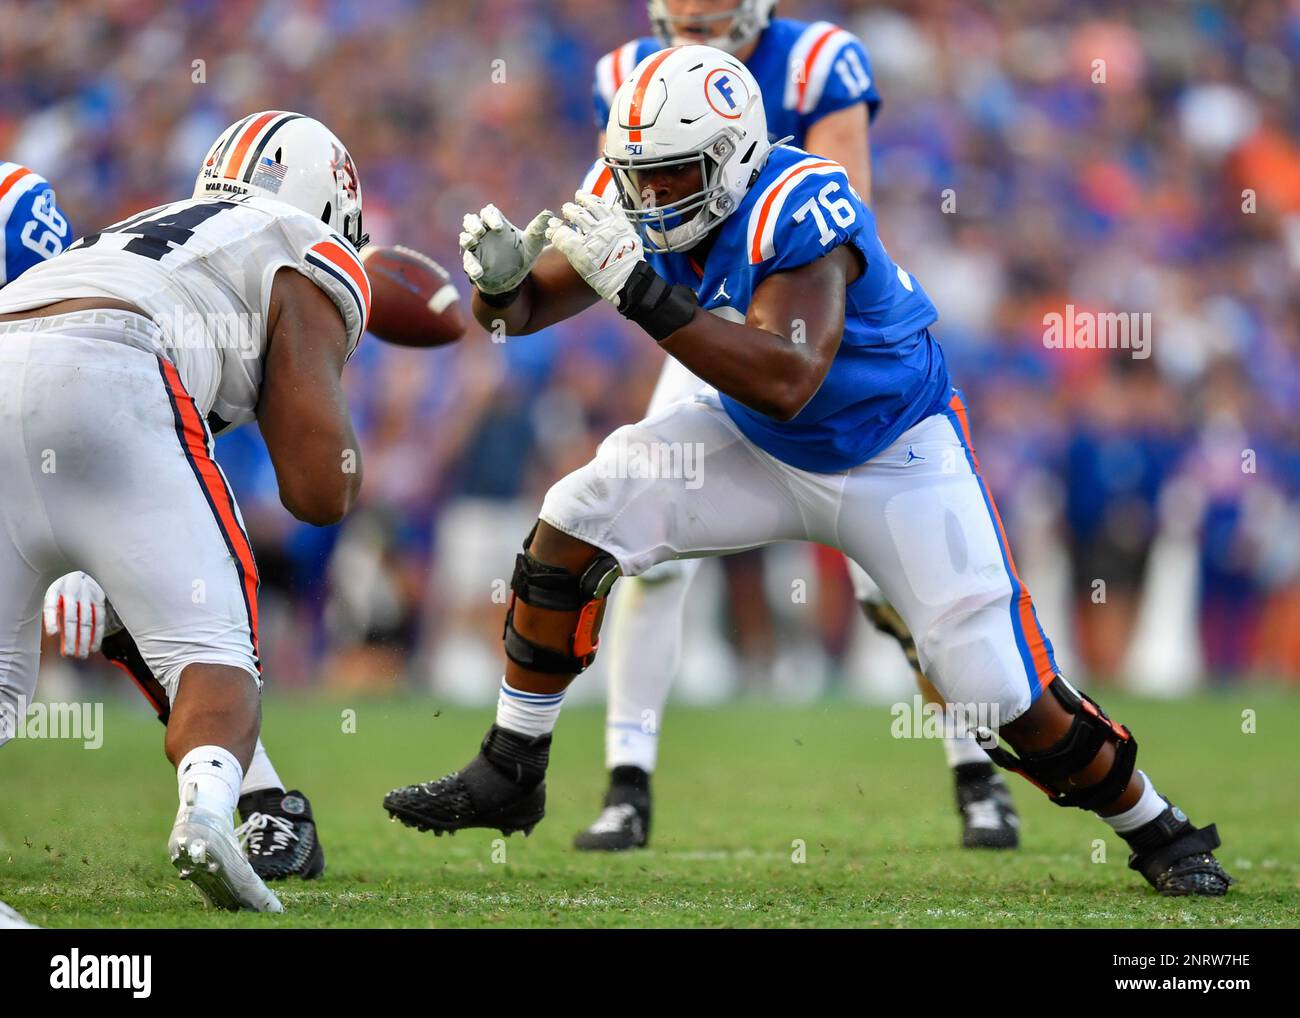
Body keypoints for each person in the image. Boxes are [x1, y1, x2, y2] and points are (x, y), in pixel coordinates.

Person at [385, 48, 1231, 897]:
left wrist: (639, 290)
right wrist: (497, 289)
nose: (647, 198)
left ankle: (1156, 825)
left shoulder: (799, 201)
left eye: (671, 176)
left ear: (729, 158)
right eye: (636, 176)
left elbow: (790, 377)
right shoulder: (634, 191)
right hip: (756, 444)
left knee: (1002, 691)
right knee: (578, 510)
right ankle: (510, 768)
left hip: (893, 456)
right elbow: (525, 310)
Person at [577, 0, 1019, 852]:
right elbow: (620, 206)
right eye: (682, 20)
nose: (695, 36)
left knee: (895, 584)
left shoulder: (818, 59)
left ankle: (975, 770)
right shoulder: (621, 73)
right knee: (641, 534)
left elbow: (836, 197)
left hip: (816, 310)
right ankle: (627, 785)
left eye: (713, 19)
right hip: (702, 316)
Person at [0, 112, 371, 911]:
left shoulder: (142, 228)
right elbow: (317, 489)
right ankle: (208, 813)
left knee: (2, 675)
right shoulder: (300, 244)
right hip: (112, 361)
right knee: (216, 646)